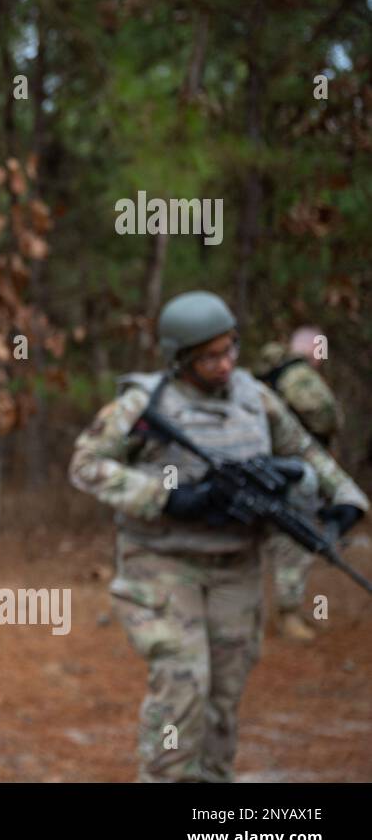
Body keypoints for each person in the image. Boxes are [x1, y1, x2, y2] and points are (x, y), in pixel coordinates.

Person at [69, 290, 366, 782]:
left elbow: (305, 450)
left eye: (230, 350)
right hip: (164, 565)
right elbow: (86, 465)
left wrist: (345, 503)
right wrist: (169, 498)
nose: (225, 364)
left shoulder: (257, 398)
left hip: (236, 569)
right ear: (180, 357)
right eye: (209, 356)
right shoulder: (146, 402)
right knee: (184, 685)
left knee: (223, 698)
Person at [253, 327, 345, 641]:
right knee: (294, 541)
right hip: (293, 471)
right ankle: (288, 615)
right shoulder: (299, 376)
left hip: (267, 468)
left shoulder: (272, 375)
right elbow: (324, 414)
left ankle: (273, 612)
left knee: (274, 540)